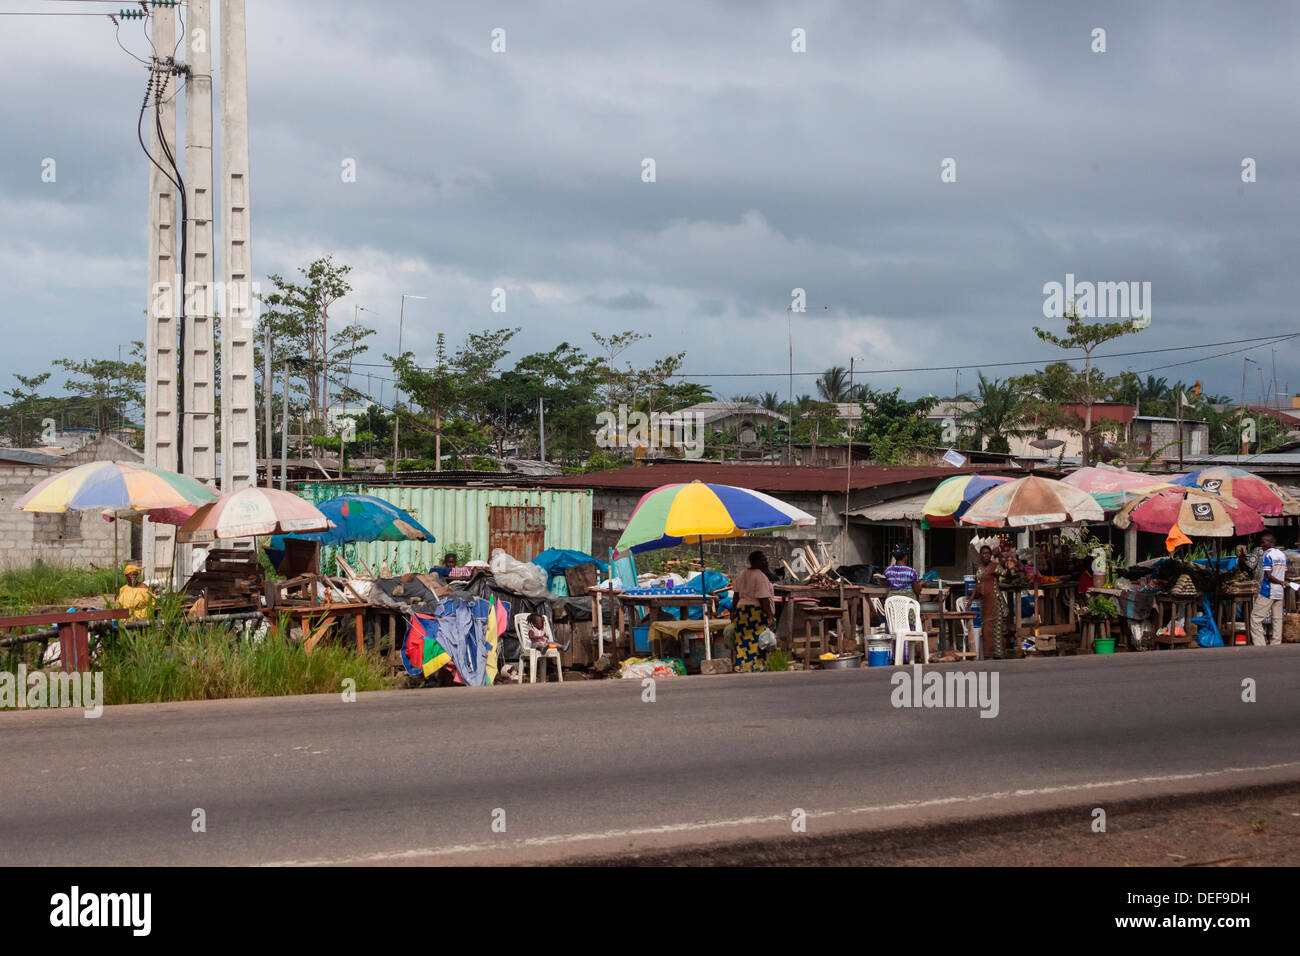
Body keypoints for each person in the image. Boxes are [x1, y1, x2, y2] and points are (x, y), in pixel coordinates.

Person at [732, 550, 776, 672]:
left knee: (742, 640)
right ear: (756, 562)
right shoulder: (760, 576)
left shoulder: (742, 574)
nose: (766, 562)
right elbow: (763, 599)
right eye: (763, 560)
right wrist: (770, 616)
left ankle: (742, 666)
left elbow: (736, 595)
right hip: (755, 612)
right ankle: (756, 666)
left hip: (741, 612)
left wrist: (733, 611)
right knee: (758, 640)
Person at [1242, 532, 1287, 646]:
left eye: (1264, 542)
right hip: (1279, 591)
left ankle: (1260, 644)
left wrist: (1242, 560)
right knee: (1277, 618)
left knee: (1255, 618)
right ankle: (1276, 643)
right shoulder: (1282, 555)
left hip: (1268, 590)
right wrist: (1282, 583)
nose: (1261, 545)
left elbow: (1268, 575)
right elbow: (1284, 573)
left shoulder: (1267, 554)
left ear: (1271, 542)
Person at [974, 545, 1000, 658]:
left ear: (991, 555)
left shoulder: (995, 567)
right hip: (984, 602)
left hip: (994, 601)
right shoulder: (979, 569)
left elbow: (1005, 573)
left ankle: (997, 654)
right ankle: (987, 654)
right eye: (983, 553)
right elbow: (977, 586)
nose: (986, 555)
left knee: (994, 629)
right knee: (986, 629)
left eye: (988, 553)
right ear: (981, 555)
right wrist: (971, 599)